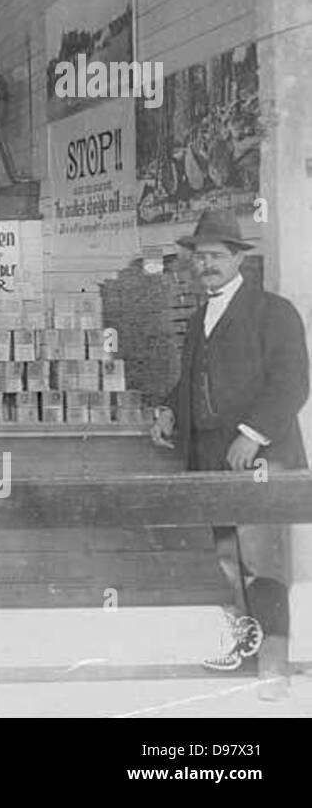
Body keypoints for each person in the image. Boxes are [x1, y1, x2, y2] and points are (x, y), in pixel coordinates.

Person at [151, 210, 308, 688]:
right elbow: (193, 380)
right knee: (228, 560)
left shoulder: (273, 310)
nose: (206, 266)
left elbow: (292, 382)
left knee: (263, 560)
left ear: (238, 258)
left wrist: (252, 434)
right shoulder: (201, 316)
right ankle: (247, 652)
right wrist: (168, 409)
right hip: (209, 457)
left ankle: (275, 669)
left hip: (261, 458)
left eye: (216, 256)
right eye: (199, 258)